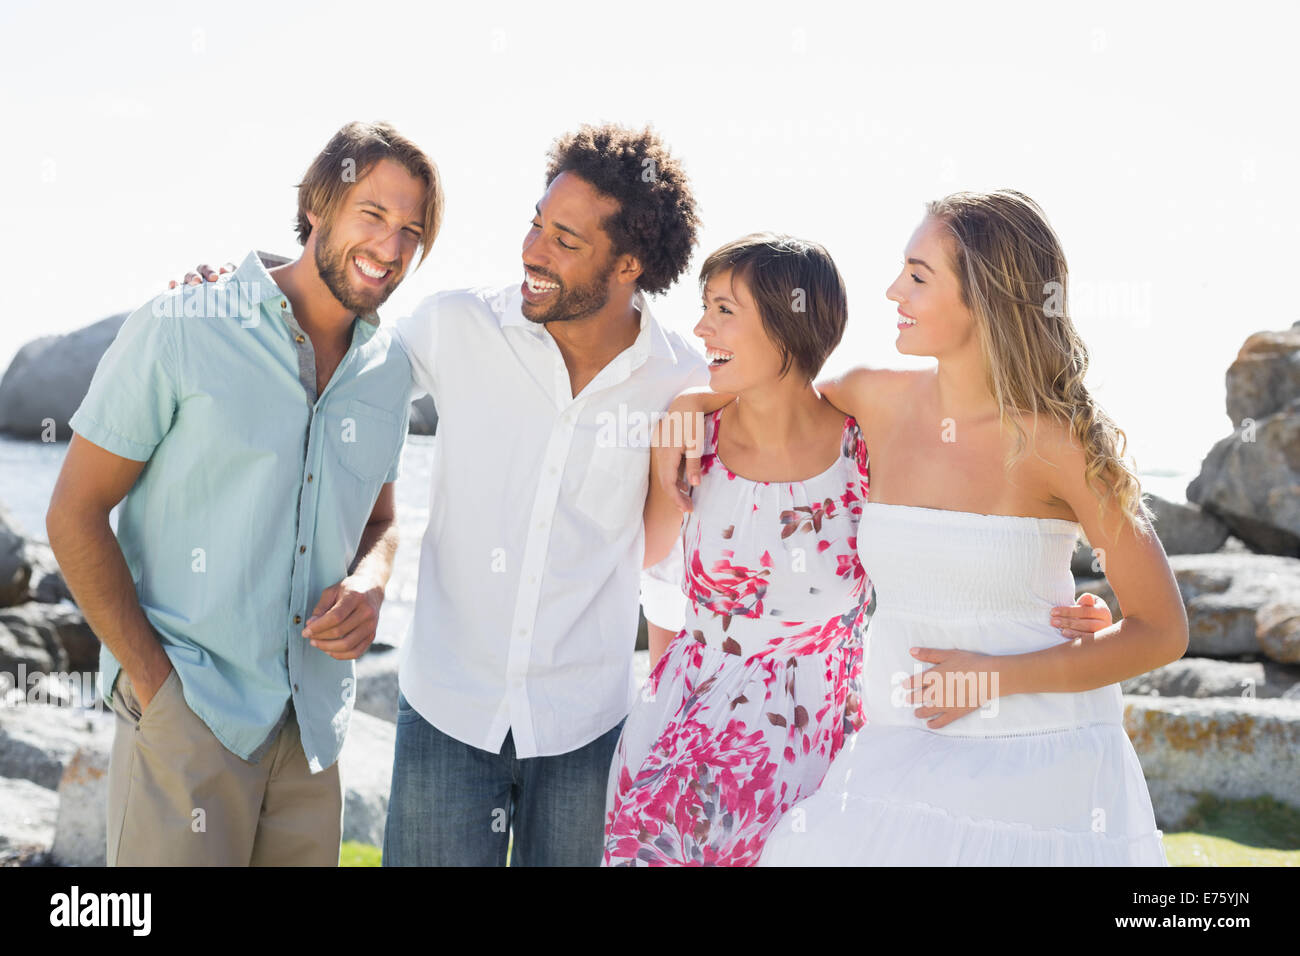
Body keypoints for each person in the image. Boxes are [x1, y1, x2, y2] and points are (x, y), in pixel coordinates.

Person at [661, 189, 1184, 866]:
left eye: (917, 275)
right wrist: (687, 403)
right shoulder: (871, 395)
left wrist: (996, 678)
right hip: (897, 742)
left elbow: (1162, 630)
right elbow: (769, 386)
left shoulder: (1060, 443)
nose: (891, 291)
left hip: (1042, 764)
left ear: (986, 297)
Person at [46, 121, 443, 866]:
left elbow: (383, 520)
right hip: (188, 717)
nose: (391, 248)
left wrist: (370, 582)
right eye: (373, 215)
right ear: (318, 205)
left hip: (311, 737)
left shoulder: (389, 372)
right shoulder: (183, 326)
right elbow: (72, 512)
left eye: (412, 230)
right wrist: (157, 687)